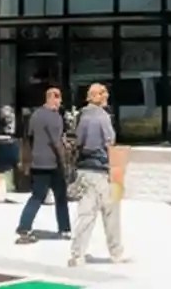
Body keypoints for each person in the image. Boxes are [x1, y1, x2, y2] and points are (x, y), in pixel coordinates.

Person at [68, 83, 129, 267]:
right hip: (103, 171)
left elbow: (77, 140)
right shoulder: (102, 117)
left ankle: (77, 254)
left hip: (84, 171)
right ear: (98, 96)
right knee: (111, 214)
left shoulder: (82, 116)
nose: (107, 95)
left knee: (86, 215)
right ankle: (116, 253)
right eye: (104, 93)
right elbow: (110, 140)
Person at [15, 88, 72, 244]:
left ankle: (24, 226)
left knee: (37, 196)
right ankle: (65, 228)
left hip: (37, 162)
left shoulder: (35, 115)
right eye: (58, 99)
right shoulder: (55, 117)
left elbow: (29, 137)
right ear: (53, 98)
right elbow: (56, 142)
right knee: (60, 197)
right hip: (52, 164)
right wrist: (64, 162)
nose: (60, 102)